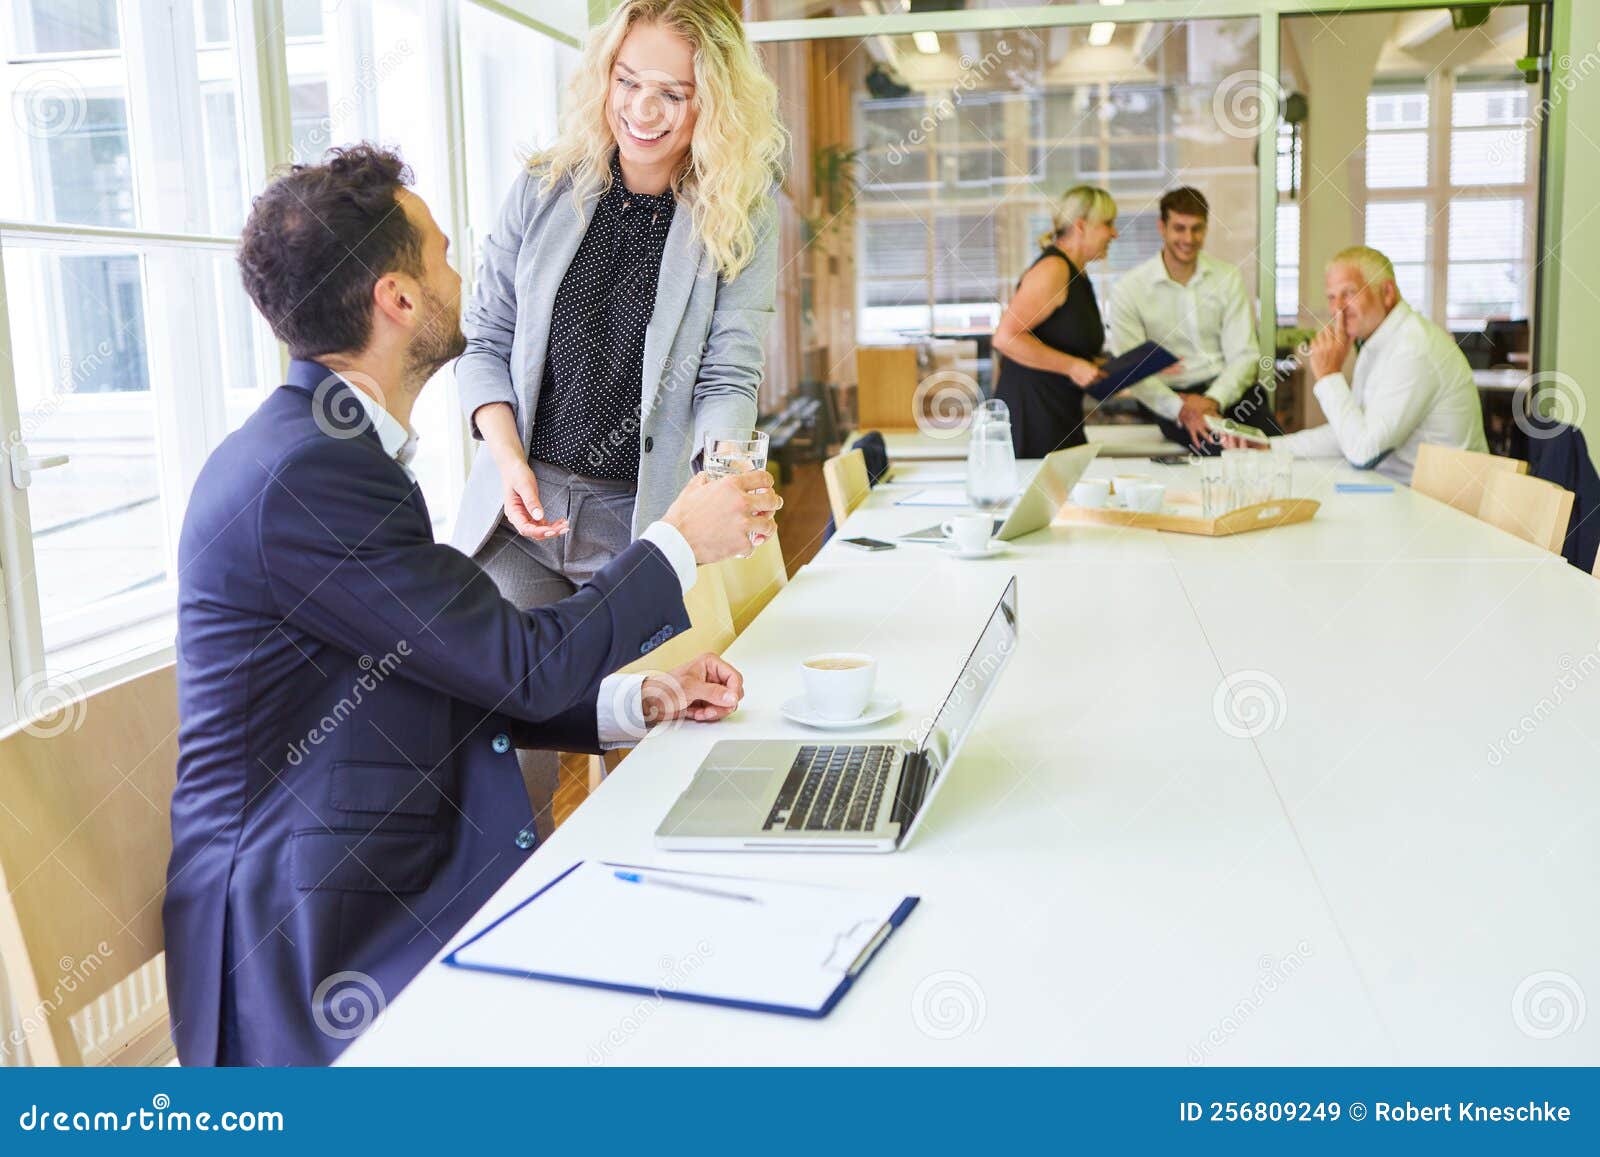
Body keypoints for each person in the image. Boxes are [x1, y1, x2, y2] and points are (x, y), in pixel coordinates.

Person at [163, 145, 781, 1066]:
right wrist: (680, 540)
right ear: (397, 299)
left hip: (357, 875)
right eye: (445, 254)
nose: (465, 272)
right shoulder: (308, 473)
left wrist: (633, 701)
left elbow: (454, 658)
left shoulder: (325, 452)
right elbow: (512, 662)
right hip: (315, 933)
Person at [450, 0, 785, 821]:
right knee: (499, 733)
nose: (641, 109)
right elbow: (484, 339)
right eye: (628, 81)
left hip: (639, 519)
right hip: (524, 514)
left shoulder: (738, 209)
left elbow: (727, 372)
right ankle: (499, 911)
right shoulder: (543, 187)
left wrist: (722, 473)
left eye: (671, 93)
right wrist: (507, 456)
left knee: (667, 744)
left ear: (714, 105)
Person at [1246, 246, 1486, 482]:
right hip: (1405, 493)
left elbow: (1363, 452)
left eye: (1349, 293)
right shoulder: (1377, 343)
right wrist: (1268, 446)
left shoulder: (1413, 348)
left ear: (1387, 292)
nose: (1337, 308)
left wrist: (1329, 376)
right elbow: (1350, 434)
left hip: (1444, 507)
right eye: (1331, 297)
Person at [1106, 186, 1274, 454]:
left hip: (1228, 391)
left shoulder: (1227, 278)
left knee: (1273, 449)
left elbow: (1244, 355)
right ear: (1162, 228)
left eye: (1197, 228)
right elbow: (1132, 370)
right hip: (1172, 398)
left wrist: (1212, 400)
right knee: (1221, 450)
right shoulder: (1129, 289)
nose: (1189, 238)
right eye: (1179, 228)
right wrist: (1181, 409)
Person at [991, 185, 1117, 458]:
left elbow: (1068, 347)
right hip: (1032, 417)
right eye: (1108, 224)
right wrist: (1073, 366)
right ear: (1082, 226)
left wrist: (1134, 367)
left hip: (1061, 414)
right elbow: (1005, 337)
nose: (1114, 233)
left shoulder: (1078, 275)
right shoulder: (1054, 269)